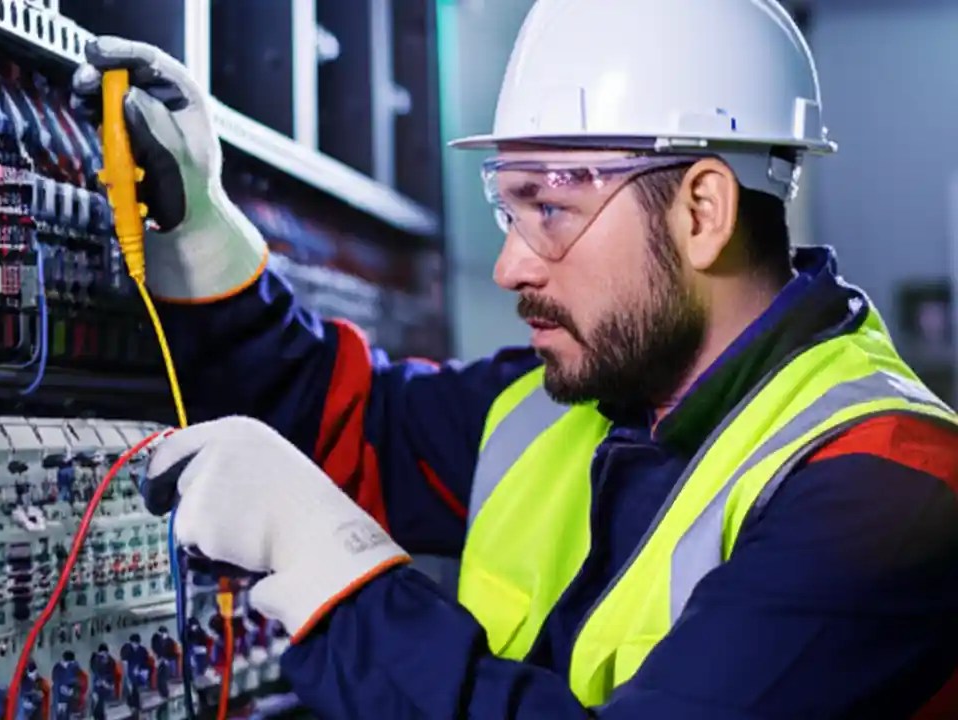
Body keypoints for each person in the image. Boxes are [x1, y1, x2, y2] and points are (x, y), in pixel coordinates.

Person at [69, 0, 958, 716]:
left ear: (701, 212)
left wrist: (339, 580)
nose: (508, 265)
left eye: (550, 209)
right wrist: (203, 235)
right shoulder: (567, 404)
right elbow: (348, 422)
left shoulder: (889, 487)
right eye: (509, 208)